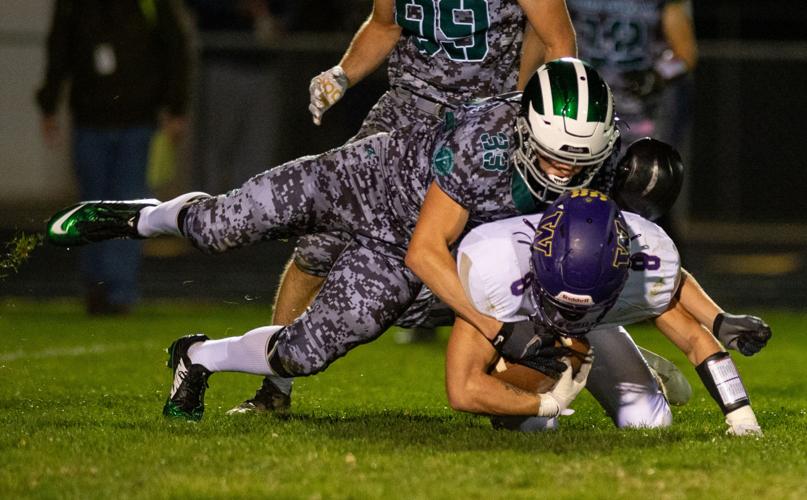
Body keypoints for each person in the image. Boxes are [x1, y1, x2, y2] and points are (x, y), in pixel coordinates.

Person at [46, 59, 697, 421]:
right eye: (550, 154)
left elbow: (603, 258)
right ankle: (138, 217)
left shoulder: (598, 165)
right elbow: (427, 248)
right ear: (524, 129)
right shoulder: (485, 139)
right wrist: (497, 330)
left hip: (399, 254)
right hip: (367, 184)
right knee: (222, 226)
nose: (560, 171)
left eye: (575, 161)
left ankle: (197, 356)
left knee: (306, 351)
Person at [447, 190, 771, 434]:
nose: (569, 316)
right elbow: (463, 389)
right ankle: (570, 363)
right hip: (527, 326)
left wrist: (741, 417)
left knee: (649, 423)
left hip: (598, 329)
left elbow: (692, 335)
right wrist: (545, 404)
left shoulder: (645, 260)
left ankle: (620, 358)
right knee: (531, 427)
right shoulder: (495, 266)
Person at [35, 0, 190, 315]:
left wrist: (176, 106)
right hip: (90, 121)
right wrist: (49, 104)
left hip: (137, 121)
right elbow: (59, 50)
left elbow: (175, 48)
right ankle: (98, 287)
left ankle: (119, 291)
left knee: (129, 207)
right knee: (93, 205)